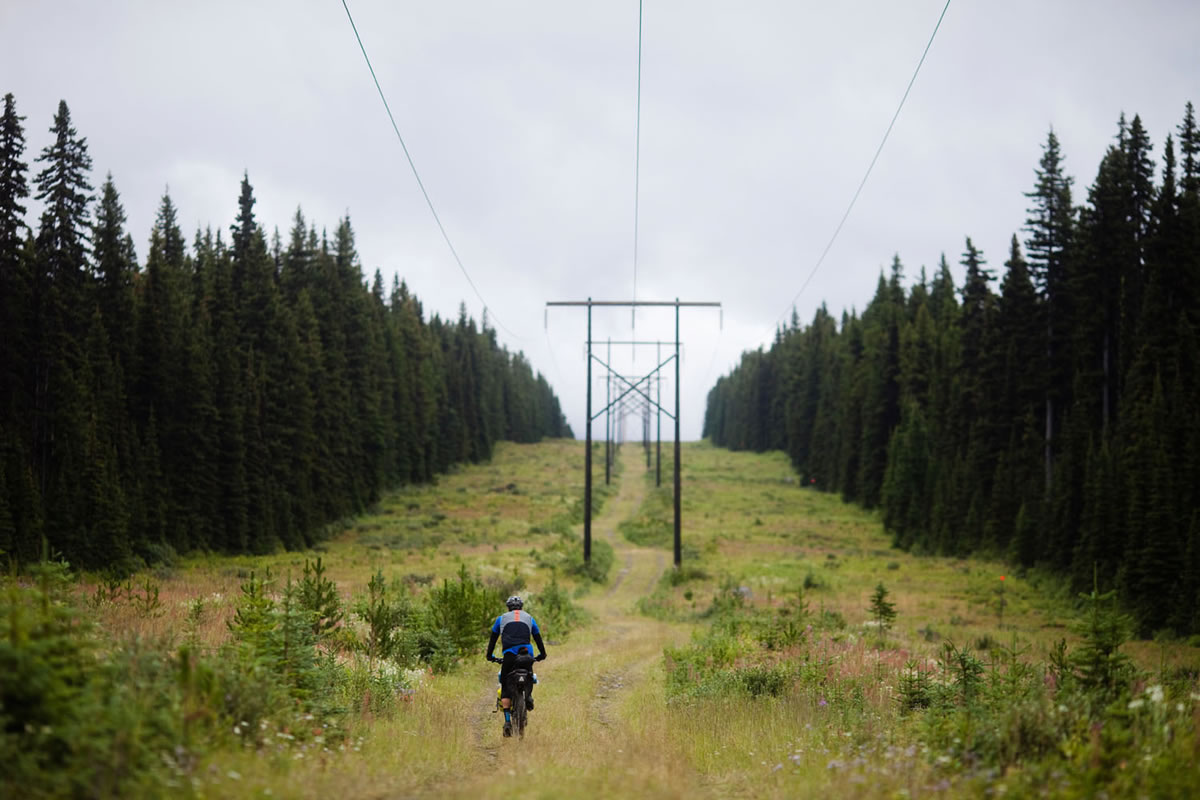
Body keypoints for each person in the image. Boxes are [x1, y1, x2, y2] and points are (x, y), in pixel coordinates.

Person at [486, 595, 547, 737]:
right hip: (526, 654)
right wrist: (542, 654)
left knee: (505, 685)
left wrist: (489, 656)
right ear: (521, 607)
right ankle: (528, 697)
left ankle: (507, 721)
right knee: (529, 676)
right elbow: (538, 638)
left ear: (508, 608)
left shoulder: (501, 619)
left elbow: (493, 639)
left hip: (509, 655)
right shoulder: (530, 618)